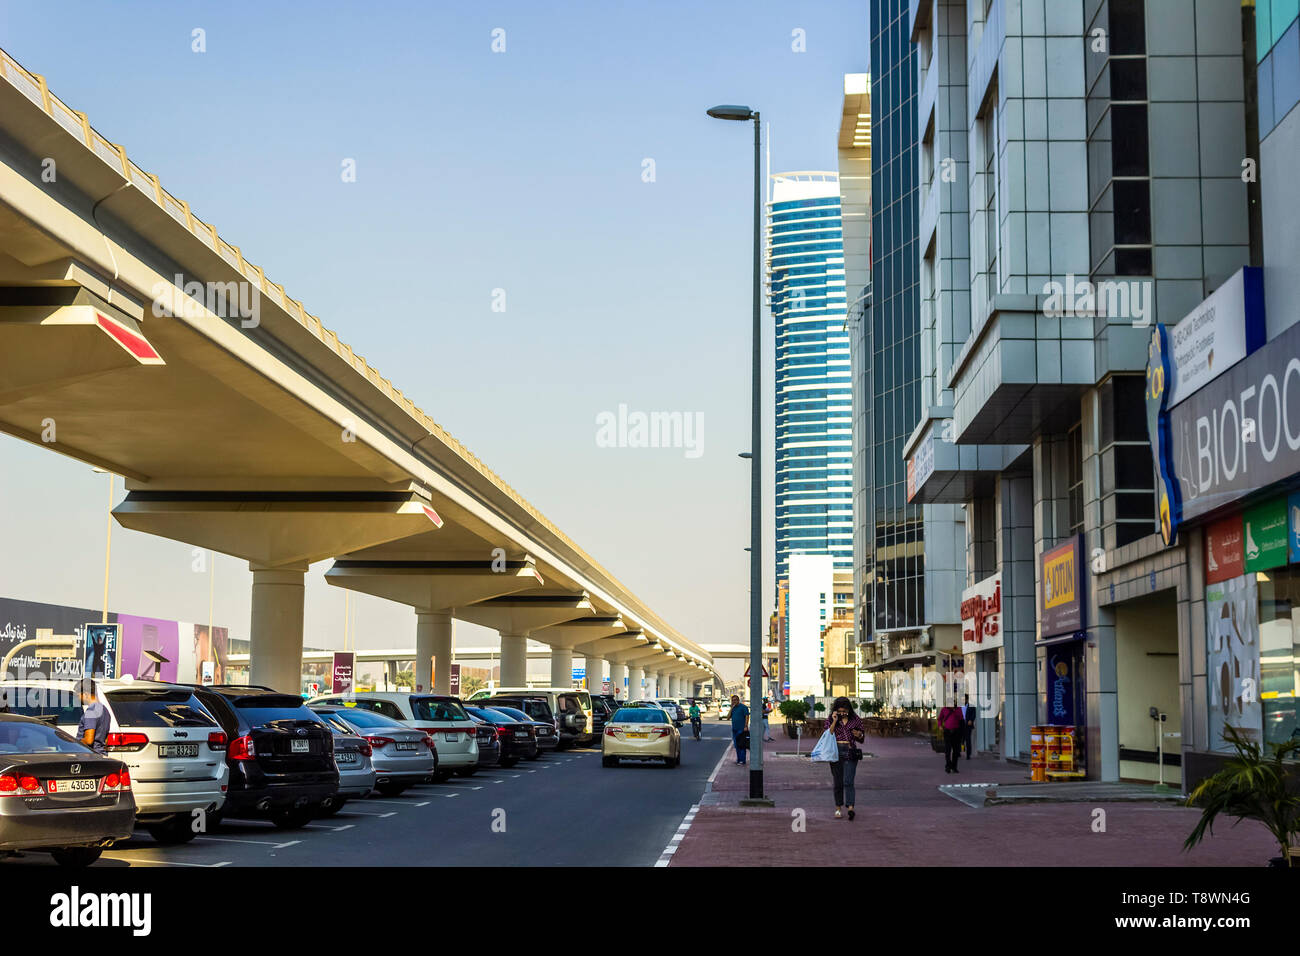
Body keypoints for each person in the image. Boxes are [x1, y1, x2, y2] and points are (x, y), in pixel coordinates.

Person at [825, 697, 865, 819]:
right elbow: (828, 733)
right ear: (836, 710)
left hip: (850, 752)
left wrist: (859, 734)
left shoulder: (855, 719)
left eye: (845, 711)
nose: (842, 713)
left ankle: (850, 807)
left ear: (849, 710)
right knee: (838, 782)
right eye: (840, 711)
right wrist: (834, 721)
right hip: (835, 753)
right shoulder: (831, 718)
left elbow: (862, 737)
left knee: (848, 781)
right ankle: (838, 808)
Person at [75, 678, 110, 755]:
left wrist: (74, 742)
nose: (78, 699)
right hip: (102, 755)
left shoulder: (91, 711)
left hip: (90, 756)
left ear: (86, 694)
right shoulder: (105, 710)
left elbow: (88, 740)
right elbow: (106, 739)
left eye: (78, 695)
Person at [938, 700, 965, 773]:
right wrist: (940, 726)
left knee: (956, 751)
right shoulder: (944, 709)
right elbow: (940, 718)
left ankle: (954, 767)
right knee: (948, 750)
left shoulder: (958, 709)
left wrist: (954, 710)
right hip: (947, 732)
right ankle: (948, 766)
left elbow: (961, 718)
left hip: (956, 732)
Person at [729, 694, 750, 765]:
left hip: (741, 729)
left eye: (735, 700)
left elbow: (747, 716)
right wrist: (731, 708)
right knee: (736, 746)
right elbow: (728, 717)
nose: (734, 701)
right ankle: (738, 759)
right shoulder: (733, 708)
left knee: (742, 745)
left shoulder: (743, 707)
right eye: (732, 700)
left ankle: (742, 760)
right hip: (734, 729)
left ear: (738, 700)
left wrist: (746, 726)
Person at [962, 693, 977, 759]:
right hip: (960, 725)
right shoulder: (959, 706)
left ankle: (968, 754)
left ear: (967, 699)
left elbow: (974, 714)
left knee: (968, 740)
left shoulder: (971, 706)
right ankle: (959, 751)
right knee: (961, 740)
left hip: (968, 725)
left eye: (964, 699)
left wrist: (971, 720)